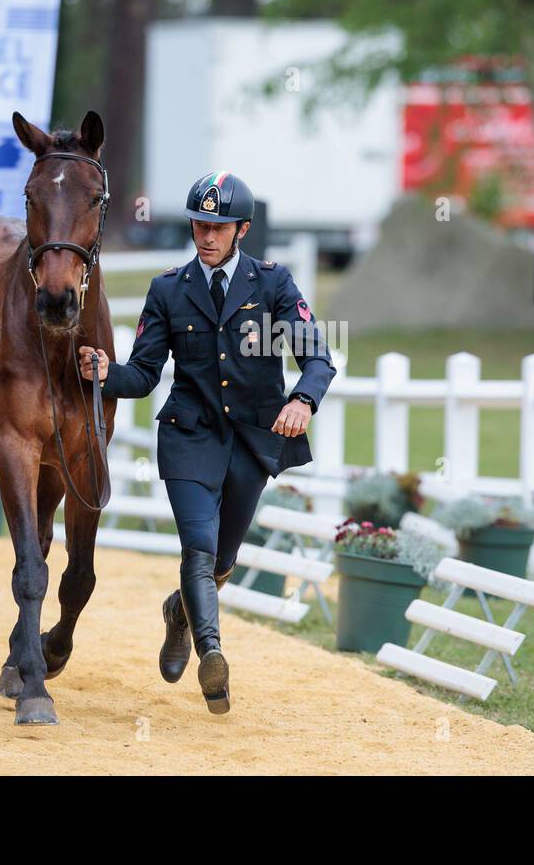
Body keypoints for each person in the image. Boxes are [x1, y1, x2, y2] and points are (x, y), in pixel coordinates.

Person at [79, 171, 336, 714]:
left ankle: (179, 614)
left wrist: (302, 401)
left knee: (221, 560)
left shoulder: (273, 284)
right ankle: (211, 657)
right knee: (197, 547)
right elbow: (145, 374)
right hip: (188, 438)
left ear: (242, 229)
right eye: (199, 224)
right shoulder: (168, 288)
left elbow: (317, 356)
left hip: (251, 442)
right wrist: (106, 371)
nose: (207, 235)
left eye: (219, 226)